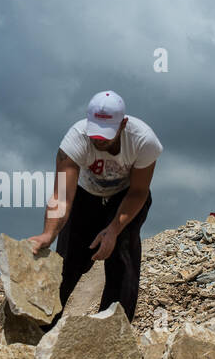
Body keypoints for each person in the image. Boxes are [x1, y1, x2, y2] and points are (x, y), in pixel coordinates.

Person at [27, 91, 161, 321]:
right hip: (85, 195)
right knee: (67, 262)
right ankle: (42, 329)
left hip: (125, 197)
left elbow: (139, 192)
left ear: (123, 124)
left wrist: (113, 230)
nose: (98, 140)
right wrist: (48, 234)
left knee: (122, 254)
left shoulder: (144, 141)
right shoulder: (75, 139)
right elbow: (62, 196)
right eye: (95, 133)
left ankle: (112, 331)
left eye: (106, 135)